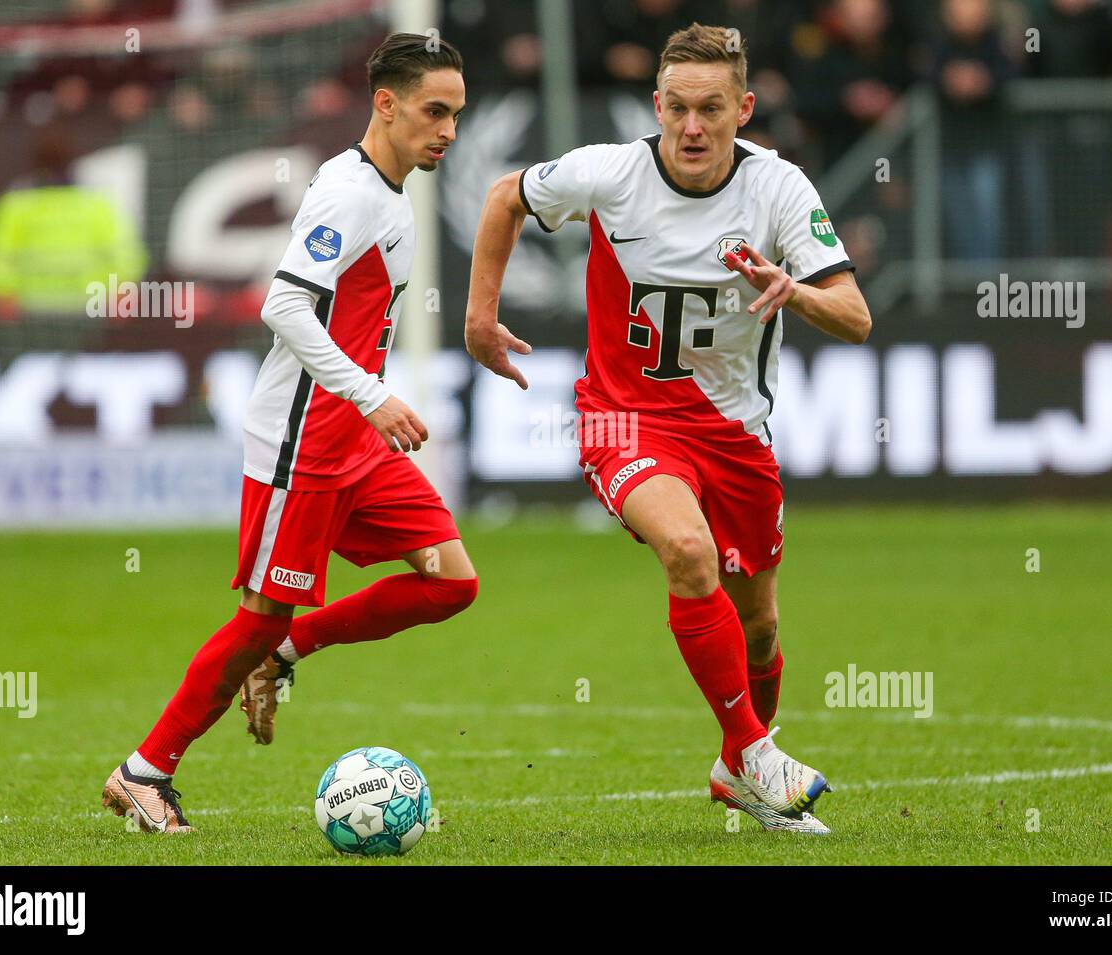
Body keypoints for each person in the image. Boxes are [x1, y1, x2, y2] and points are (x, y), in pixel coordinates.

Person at [465, 22, 871, 834]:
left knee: (760, 624)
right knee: (687, 553)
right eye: (677, 108)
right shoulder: (610, 174)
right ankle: (756, 753)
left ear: (743, 109)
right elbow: (505, 192)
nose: (692, 127)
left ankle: (737, 769)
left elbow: (855, 317)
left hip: (736, 436)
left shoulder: (779, 189)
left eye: (711, 109)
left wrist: (794, 290)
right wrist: (479, 317)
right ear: (655, 105)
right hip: (625, 418)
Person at [102, 33, 476, 834]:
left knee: (451, 581)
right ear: (387, 103)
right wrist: (373, 394)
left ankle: (285, 653)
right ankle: (145, 771)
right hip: (302, 445)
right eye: (434, 111)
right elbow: (282, 307)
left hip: (356, 443)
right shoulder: (348, 194)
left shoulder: (392, 191)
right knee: (258, 614)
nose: (447, 129)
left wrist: (369, 407)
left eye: (456, 114)